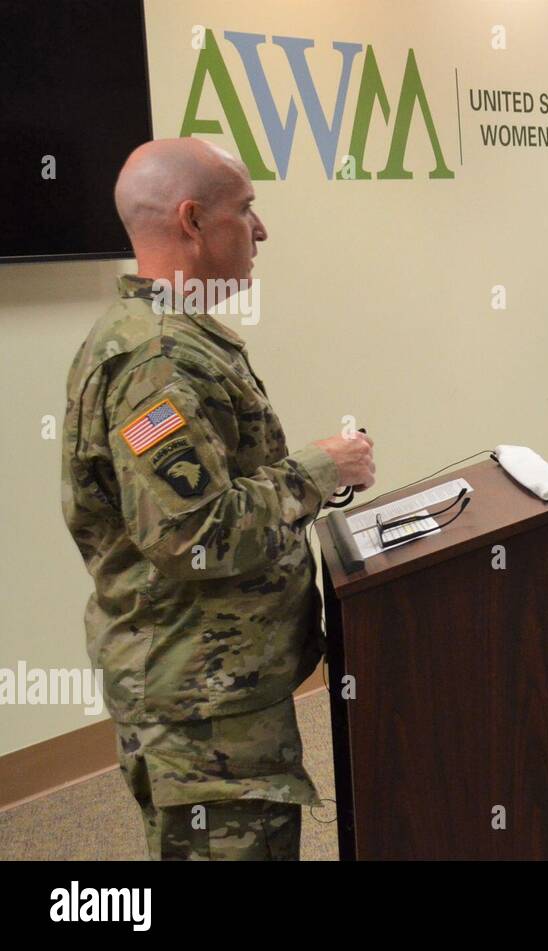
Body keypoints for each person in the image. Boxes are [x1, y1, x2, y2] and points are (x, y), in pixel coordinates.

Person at [61, 138, 375, 860]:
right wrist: (318, 470)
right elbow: (193, 533)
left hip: (217, 689)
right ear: (193, 221)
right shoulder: (157, 360)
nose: (261, 230)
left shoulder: (171, 339)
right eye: (248, 210)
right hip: (201, 713)